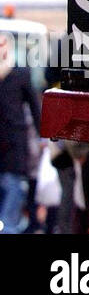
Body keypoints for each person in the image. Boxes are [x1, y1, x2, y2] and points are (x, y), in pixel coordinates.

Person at [0, 33, 40, 233]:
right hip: (11, 149)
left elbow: (35, 108)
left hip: (13, 150)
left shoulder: (19, 74)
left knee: (10, 211)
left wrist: (44, 137)